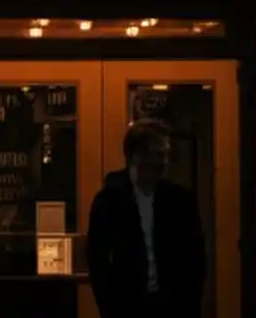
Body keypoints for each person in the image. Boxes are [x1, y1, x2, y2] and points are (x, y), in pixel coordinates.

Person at [87, 119, 205, 318]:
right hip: (127, 307)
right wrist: (109, 308)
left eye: (167, 154)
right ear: (137, 155)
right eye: (159, 154)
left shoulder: (180, 200)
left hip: (173, 307)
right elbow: (97, 260)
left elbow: (196, 259)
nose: (164, 161)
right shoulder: (109, 201)